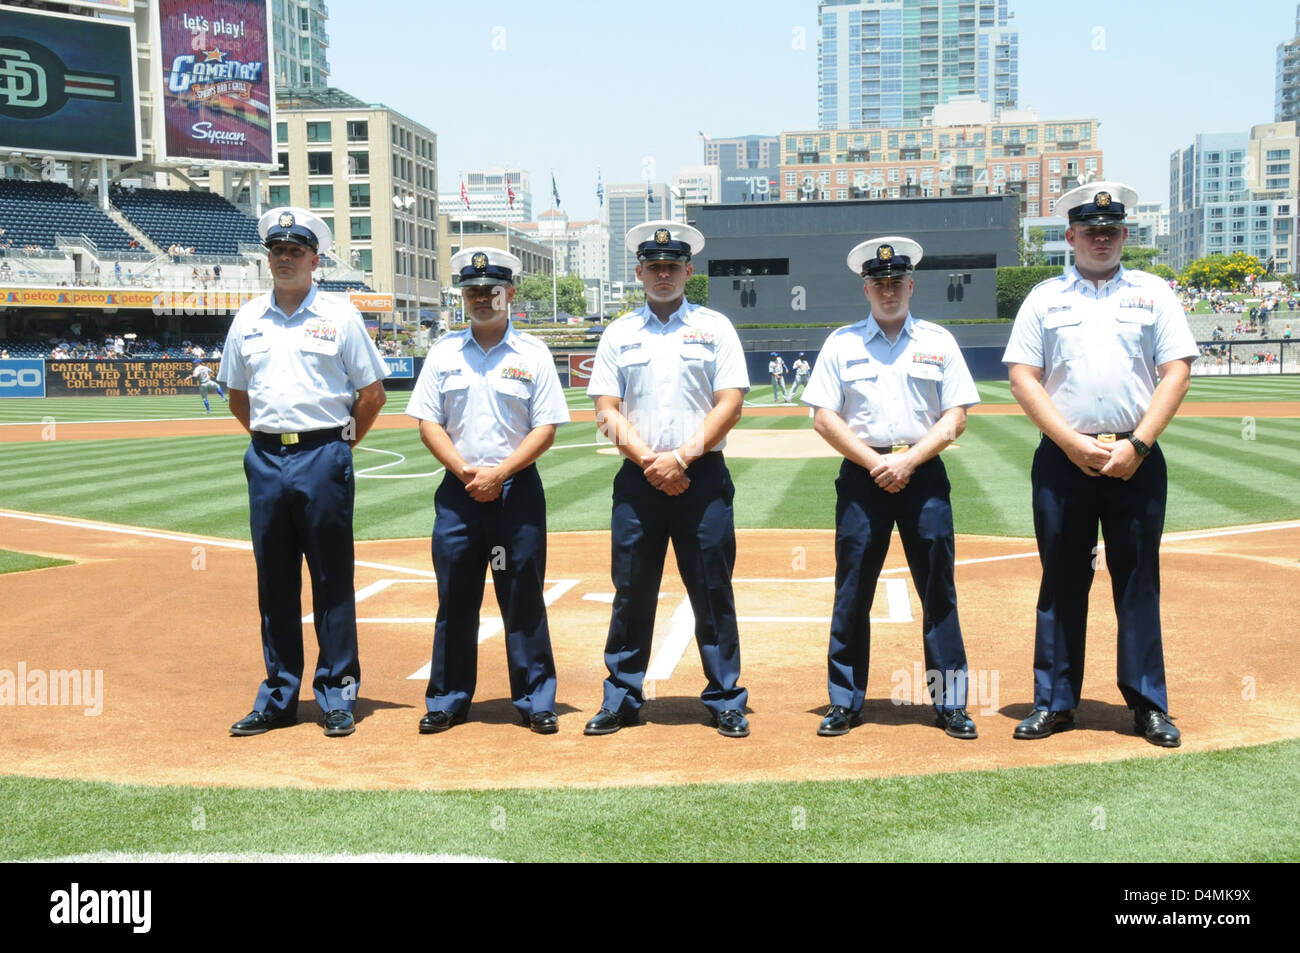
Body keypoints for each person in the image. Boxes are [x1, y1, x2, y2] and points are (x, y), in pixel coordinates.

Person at [1002, 181, 1198, 748]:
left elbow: (1177, 371)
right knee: (1063, 581)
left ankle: (1148, 705)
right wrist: (1069, 443)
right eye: (1091, 230)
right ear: (1071, 237)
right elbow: (1023, 378)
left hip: (1136, 458)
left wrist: (1137, 444)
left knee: (1137, 581)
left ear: (1124, 236)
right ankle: (1056, 702)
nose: (1102, 238)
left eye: (1111, 230)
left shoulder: (1154, 293)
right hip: (1065, 460)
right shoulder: (1044, 298)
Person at [219, 207, 388, 738]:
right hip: (266, 458)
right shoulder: (247, 319)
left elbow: (372, 394)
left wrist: (338, 445)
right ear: (267, 258)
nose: (285, 258)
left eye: (295, 251)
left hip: (323, 456)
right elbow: (237, 395)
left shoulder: (340, 315)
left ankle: (338, 693)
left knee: (331, 578)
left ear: (315, 259)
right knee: (274, 581)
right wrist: (270, 439)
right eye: (277, 251)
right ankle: (278, 697)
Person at [802, 237, 981, 739]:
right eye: (879, 283)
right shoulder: (842, 343)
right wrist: (876, 463)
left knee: (938, 590)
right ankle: (844, 701)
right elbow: (823, 418)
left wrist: (907, 462)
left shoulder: (938, 341)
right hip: (863, 477)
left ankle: (950, 703)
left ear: (911, 285)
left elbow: (956, 418)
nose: (888, 290)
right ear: (866, 288)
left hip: (922, 477)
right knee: (852, 591)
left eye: (896, 281)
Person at [584, 220, 751, 738]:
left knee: (712, 589)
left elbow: (731, 404)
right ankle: (622, 697)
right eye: (654, 266)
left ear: (688, 271)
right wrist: (652, 462)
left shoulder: (716, 328)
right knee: (632, 590)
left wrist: (680, 458)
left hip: (702, 479)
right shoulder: (619, 333)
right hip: (639, 481)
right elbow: (606, 410)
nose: (663, 274)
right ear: (639, 272)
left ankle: (725, 697)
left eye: (672, 266)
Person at [406, 247, 570, 734]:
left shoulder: (533, 354)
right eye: (472, 291)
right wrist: (464, 471)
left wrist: (499, 474)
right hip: (459, 495)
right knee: (456, 598)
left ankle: (535, 698)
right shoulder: (443, 353)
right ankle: (449, 698)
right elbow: (428, 422)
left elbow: (546, 429)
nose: (481, 298)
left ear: (510, 294)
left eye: (490, 290)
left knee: (522, 597)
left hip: (516, 493)